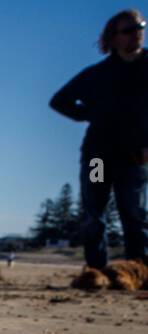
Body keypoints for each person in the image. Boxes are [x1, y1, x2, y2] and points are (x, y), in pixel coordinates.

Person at [50, 9, 148, 267]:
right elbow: (59, 101)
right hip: (98, 158)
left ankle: (137, 270)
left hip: (135, 158)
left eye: (141, 27)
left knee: (135, 215)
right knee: (95, 213)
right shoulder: (97, 74)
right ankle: (95, 270)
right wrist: (89, 114)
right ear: (113, 37)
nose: (136, 34)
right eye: (129, 30)